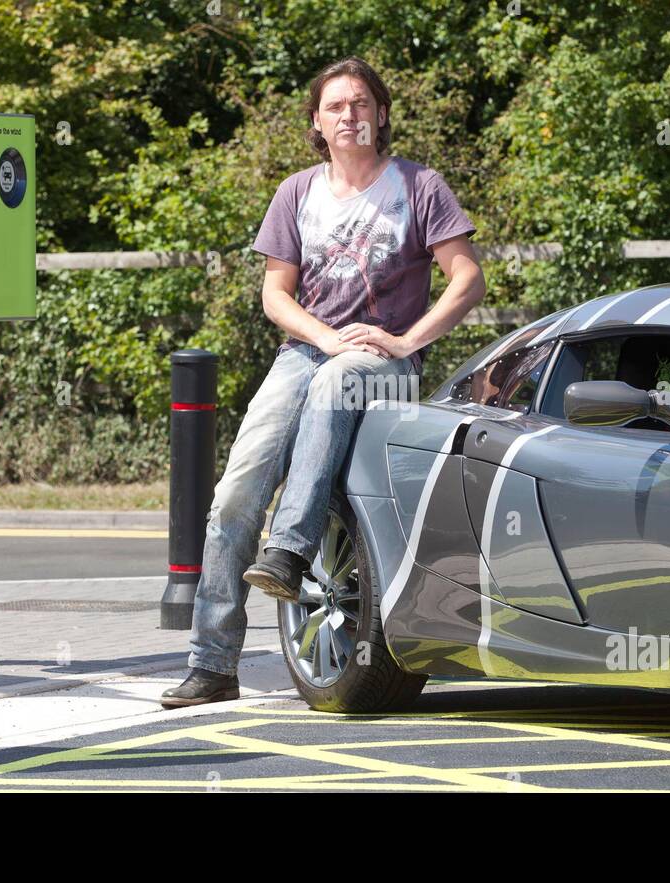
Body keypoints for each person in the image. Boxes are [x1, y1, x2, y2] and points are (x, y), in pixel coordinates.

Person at [161, 56, 485, 707]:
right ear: (316, 120)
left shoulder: (420, 187)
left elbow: (468, 278)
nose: (349, 115)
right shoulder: (296, 193)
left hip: (384, 365)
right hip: (307, 353)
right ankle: (213, 662)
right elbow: (274, 296)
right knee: (233, 495)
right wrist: (323, 335)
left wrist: (406, 339)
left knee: (340, 379)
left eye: (361, 103)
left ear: (382, 113)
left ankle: (289, 547)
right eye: (336, 106)